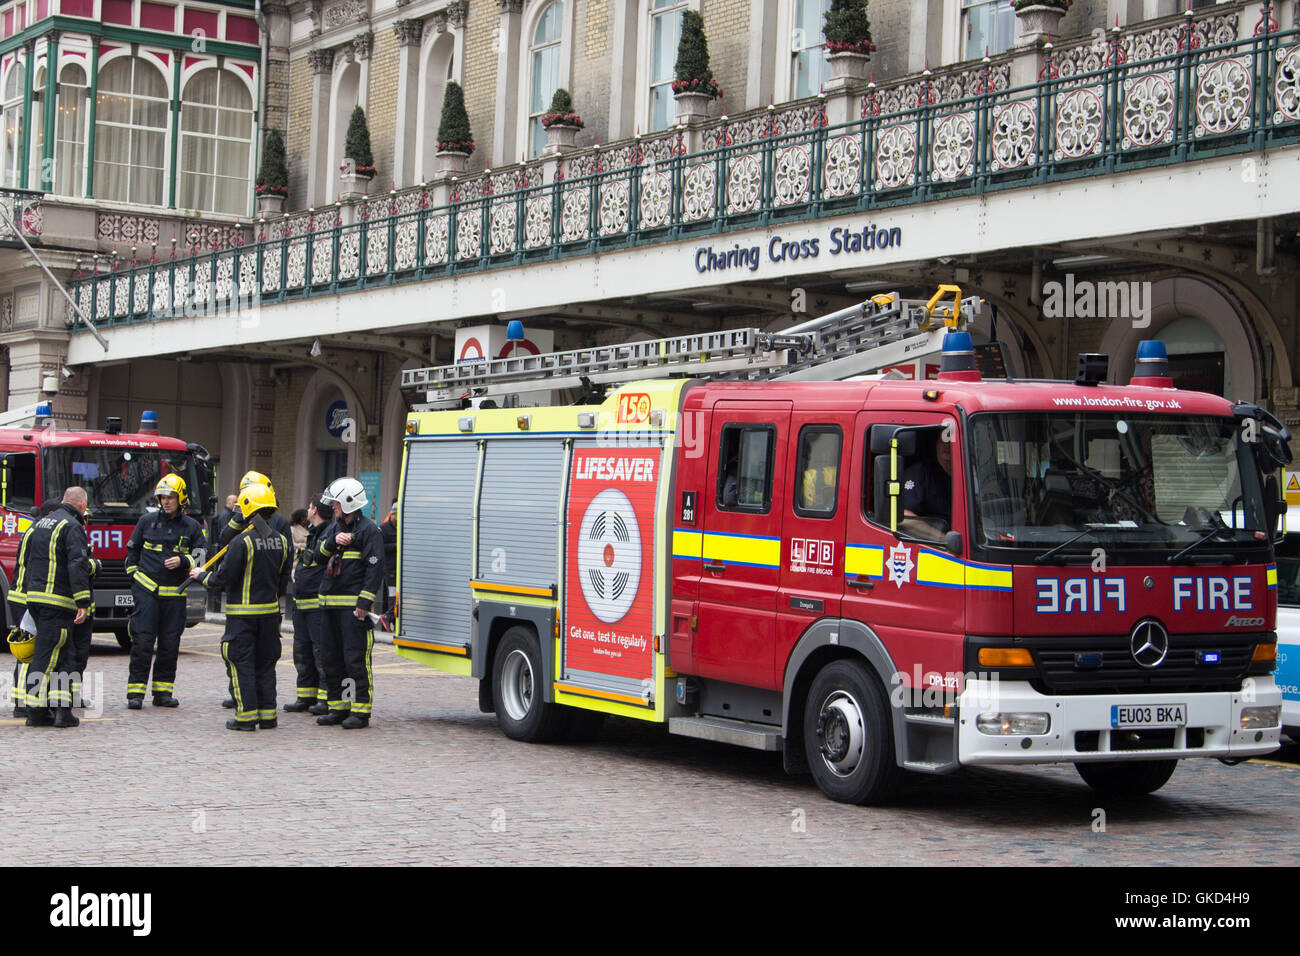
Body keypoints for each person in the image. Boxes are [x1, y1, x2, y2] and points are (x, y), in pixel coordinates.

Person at [190, 482, 291, 731]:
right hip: (270, 616)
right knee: (265, 665)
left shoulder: (241, 542)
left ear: (247, 509)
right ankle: (268, 716)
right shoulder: (281, 541)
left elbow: (222, 578)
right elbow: (283, 580)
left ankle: (245, 717)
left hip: (242, 618)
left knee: (241, 663)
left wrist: (200, 575)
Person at [123, 473, 202, 709]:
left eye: (170, 497)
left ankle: (162, 693)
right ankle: (135, 694)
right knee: (142, 643)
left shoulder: (192, 526)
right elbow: (130, 558)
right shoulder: (145, 522)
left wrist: (183, 561)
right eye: (162, 497)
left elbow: (202, 557)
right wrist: (138, 584)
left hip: (175, 597)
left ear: (181, 499)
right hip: (147, 596)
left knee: (169, 646)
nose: (166, 501)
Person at [16, 487, 92, 728]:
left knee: (63, 657)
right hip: (57, 603)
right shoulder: (71, 526)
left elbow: (24, 562)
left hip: (35, 600)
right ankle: (36, 711)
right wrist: (83, 601)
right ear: (81, 506)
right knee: (47, 657)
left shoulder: (39, 525)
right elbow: (77, 564)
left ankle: (61, 711)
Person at [312, 476, 384, 729]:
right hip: (330, 606)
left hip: (353, 608)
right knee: (331, 659)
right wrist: (332, 542)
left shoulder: (368, 531)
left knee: (355, 659)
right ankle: (338, 708)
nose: (333, 508)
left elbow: (374, 569)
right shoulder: (334, 528)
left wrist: (364, 602)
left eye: (336, 504)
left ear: (348, 502)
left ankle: (360, 711)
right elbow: (316, 557)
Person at [219, 470, 293, 709]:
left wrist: (206, 578)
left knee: (245, 658)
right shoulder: (241, 518)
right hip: (266, 608)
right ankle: (247, 700)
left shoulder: (278, 523)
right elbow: (225, 537)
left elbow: (284, 560)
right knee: (259, 661)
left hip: (247, 608)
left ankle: (248, 709)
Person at [9, 500, 61, 718]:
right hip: (25, 596)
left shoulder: (34, 530)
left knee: (33, 649)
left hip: (26, 595)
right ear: (49, 513)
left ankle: (30, 698)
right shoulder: (37, 532)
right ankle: (21, 702)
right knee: (26, 652)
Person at [283, 496, 330, 714]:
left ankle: (325, 698)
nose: (308, 510)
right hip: (301, 602)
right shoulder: (313, 534)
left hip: (316, 603)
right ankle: (305, 695)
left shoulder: (328, 533)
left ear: (316, 510)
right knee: (301, 651)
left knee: (320, 651)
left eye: (311, 506)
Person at [900, 435, 953, 542]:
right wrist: (943, 540)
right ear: (937, 444)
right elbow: (903, 517)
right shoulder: (919, 473)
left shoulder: (970, 474)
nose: (947, 444)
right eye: (944, 439)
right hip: (934, 547)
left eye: (952, 440)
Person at [379, 501, 398, 620]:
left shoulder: (402, 527)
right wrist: (397, 546)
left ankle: (391, 617)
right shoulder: (383, 529)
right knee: (391, 594)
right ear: (393, 515)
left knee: (396, 595)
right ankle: (388, 617)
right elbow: (381, 547)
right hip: (390, 569)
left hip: (400, 569)